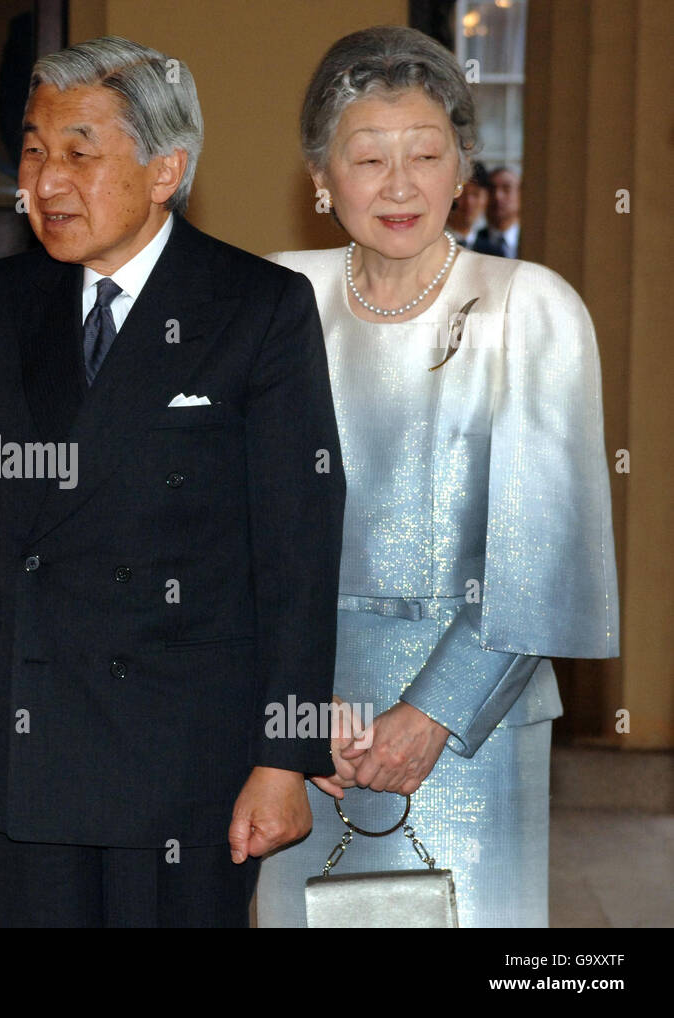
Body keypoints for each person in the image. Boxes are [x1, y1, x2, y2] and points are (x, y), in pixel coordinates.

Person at [0, 36, 345, 927]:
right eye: (34, 150)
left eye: (80, 151)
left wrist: (285, 755)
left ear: (165, 171)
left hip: (185, 752)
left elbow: (300, 550)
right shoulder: (7, 298)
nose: (48, 179)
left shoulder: (256, 306)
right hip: (27, 731)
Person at [257, 26, 618, 927]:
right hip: (300, 717)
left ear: (463, 166)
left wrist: (432, 715)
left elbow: (543, 555)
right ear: (320, 173)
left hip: (472, 727)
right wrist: (295, 709)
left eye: (426, 153)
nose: (400, 184)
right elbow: (225, 528)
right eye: (367, 157)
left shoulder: (528, 308)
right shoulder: (272, 301)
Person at [474, 166, 520, 257]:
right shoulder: (472, 244)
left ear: (520, 194)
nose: (497, 196)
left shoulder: (534, 242)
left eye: (506, 189)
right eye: (491, 190)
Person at [448, 161, 490, 248]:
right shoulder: (430, 246)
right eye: (462, 194)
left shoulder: (494, 253)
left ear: (486, 198)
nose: (469, 202)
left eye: (476, 194)